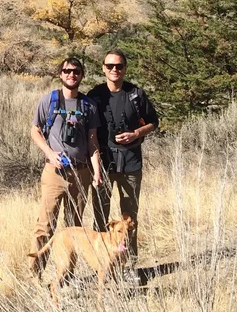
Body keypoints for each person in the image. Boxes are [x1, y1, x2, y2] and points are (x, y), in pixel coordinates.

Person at [29, 56, 103, 277]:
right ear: (60, 74)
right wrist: (50, 153)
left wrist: (96, 171)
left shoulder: (88, 105)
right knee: (45, 225)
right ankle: (35, 274)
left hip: (81, 173)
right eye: (67, 71)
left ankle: (66, 275)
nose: (72, 74)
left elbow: (93, 141)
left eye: (76, 71)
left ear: (81, 75)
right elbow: (35, 131)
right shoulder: (49, 101)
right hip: (54, 173)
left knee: (74, 227)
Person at [87, 49, 158, 265]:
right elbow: (88, 130)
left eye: (119, 66)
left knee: (130, 218)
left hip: (131, 163)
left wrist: (136, 133)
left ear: (125, 69)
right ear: (103, 68)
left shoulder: (136, 94)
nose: (114, 70)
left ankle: (130, 264)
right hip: (104, 164)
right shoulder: (94, 96)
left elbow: (153, 122)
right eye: (110, 66)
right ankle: (102, 265)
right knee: (100, 215)